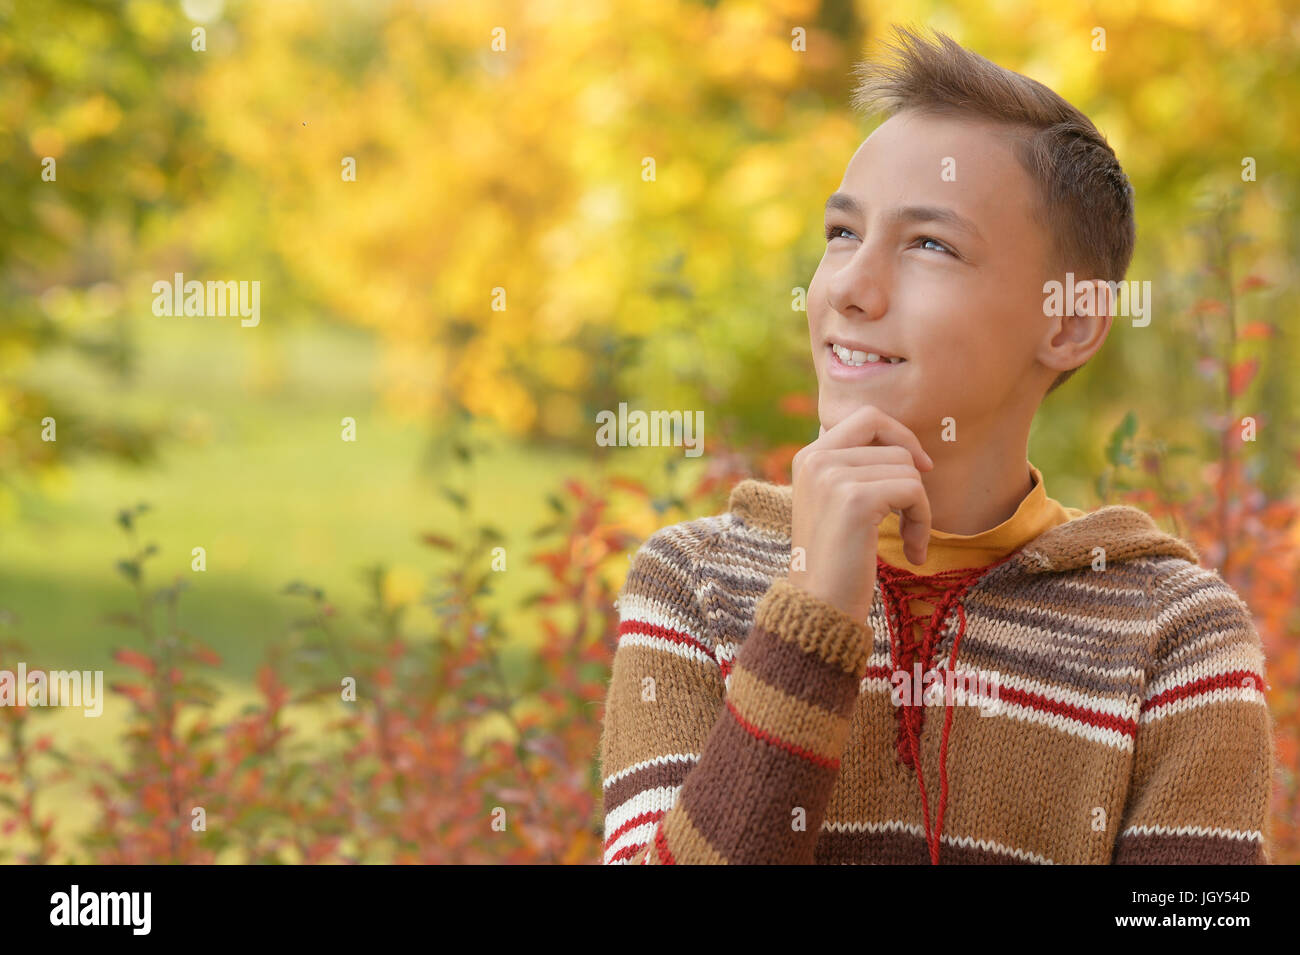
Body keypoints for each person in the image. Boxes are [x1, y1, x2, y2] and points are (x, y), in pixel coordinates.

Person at [597, 26, 1276, 864]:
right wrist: (811, 618)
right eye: (842, 233)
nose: (850, 286)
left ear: (1069, 321)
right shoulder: (692, 586)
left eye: (929, 245)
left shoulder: (1176, 637)